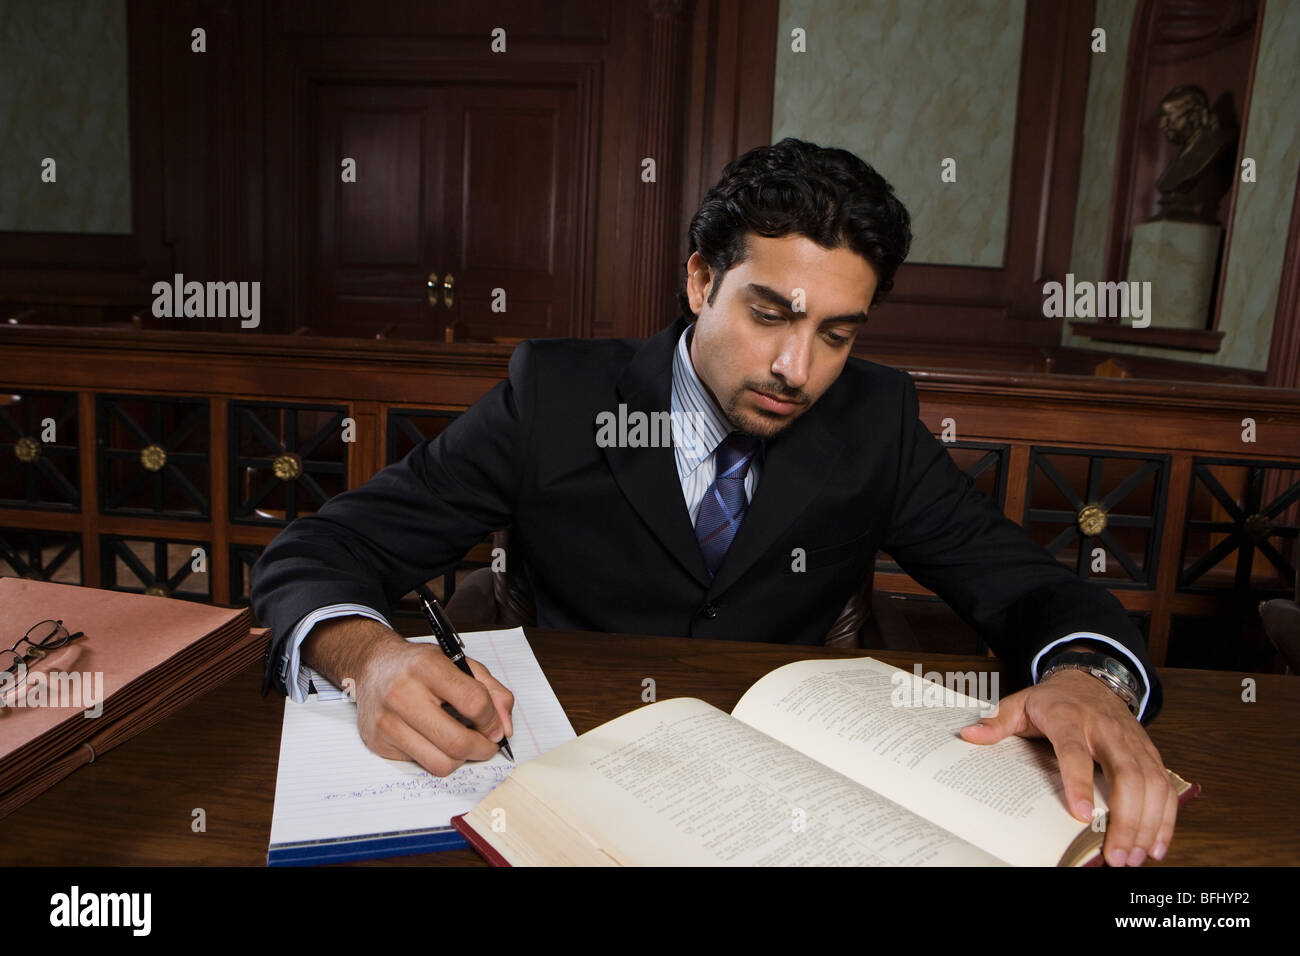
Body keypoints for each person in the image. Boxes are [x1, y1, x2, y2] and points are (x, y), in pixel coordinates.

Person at [250, 137, 1178, 867]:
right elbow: (315, 554)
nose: (796, 369)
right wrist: (365, 656)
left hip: (794, 813)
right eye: (769, 314)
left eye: (836, 335)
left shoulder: (876, 418)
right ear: (701, 280)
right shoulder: (558, 399)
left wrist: (1090, 681)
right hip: (569, 785)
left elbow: (1031, 590)